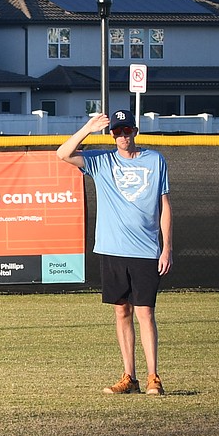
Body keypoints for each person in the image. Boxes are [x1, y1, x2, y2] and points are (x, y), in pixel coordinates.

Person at [56, 110, 173, 396]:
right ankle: (129, 377)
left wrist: (167, 247)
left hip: (145, 249)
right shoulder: (101, 161)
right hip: (112, 248)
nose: (122, 136)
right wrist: (88, 127)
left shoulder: (154, 160)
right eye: (117, 132)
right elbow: (63, 153)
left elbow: (165, 205)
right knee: (122, 311)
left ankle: (153, 377)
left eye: (126, 130)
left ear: (135, 131)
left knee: (145, 312)